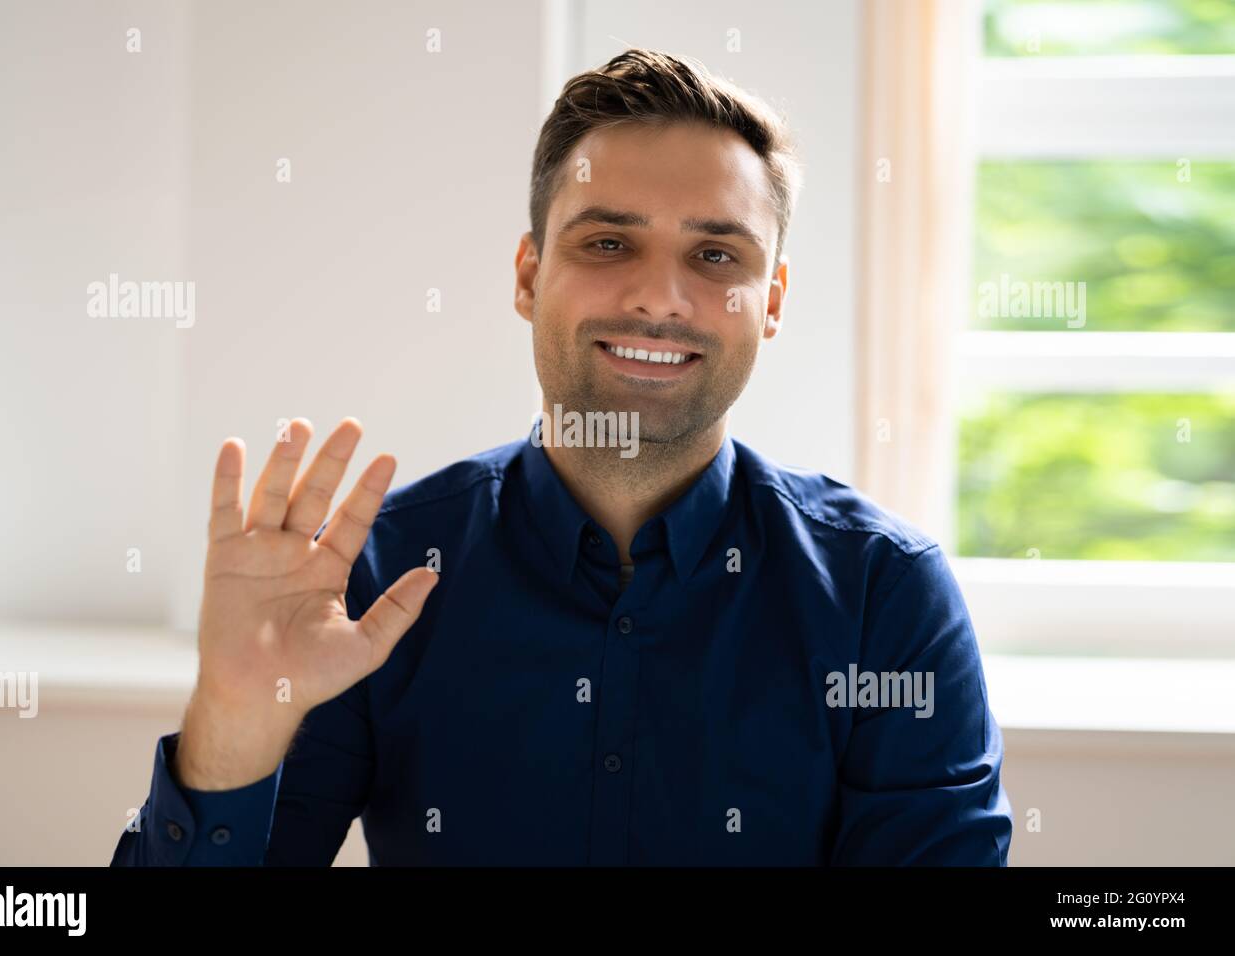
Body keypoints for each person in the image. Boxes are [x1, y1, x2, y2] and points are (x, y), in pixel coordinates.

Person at [112, 48, 1011, 866]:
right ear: (529, 275)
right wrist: (231, 720)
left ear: (769, 301)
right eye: (609, 242)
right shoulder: (371, 576)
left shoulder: (883, 597)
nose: (660, 298)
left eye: (714, 254)